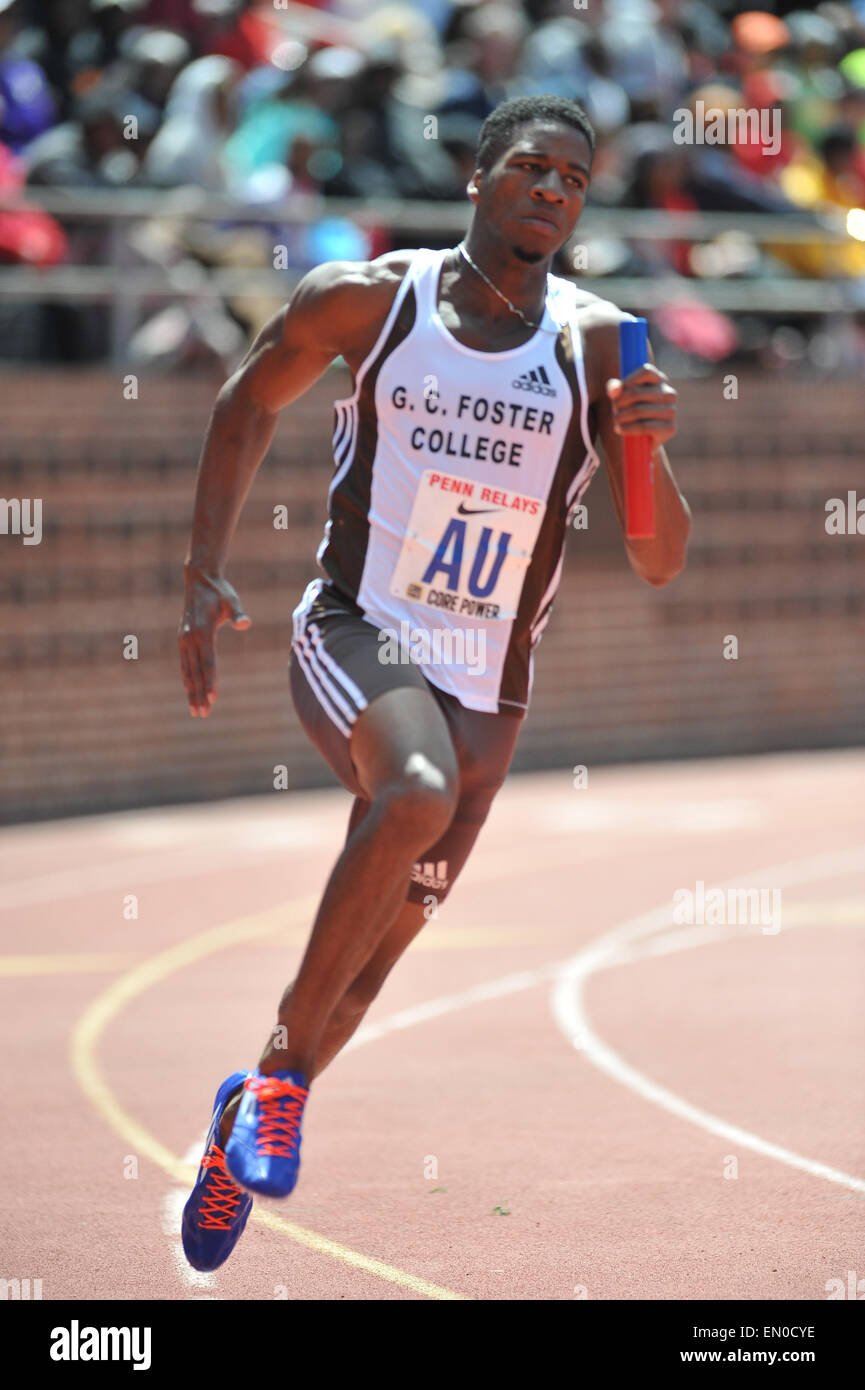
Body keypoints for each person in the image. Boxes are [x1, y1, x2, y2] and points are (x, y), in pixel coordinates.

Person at [177, 93, 690, 1272]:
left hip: (488, 690)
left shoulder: (599, 344)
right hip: (359, 629)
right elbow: (245, 400)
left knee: (369, 965)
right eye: (531, 166)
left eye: (573, 175)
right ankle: (273, 1100)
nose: (553, 188)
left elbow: (659, 559)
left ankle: (255, 1100)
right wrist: (202, 574)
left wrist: (647, 443)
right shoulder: (371, 300)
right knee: (413, 787)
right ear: (479, 176)